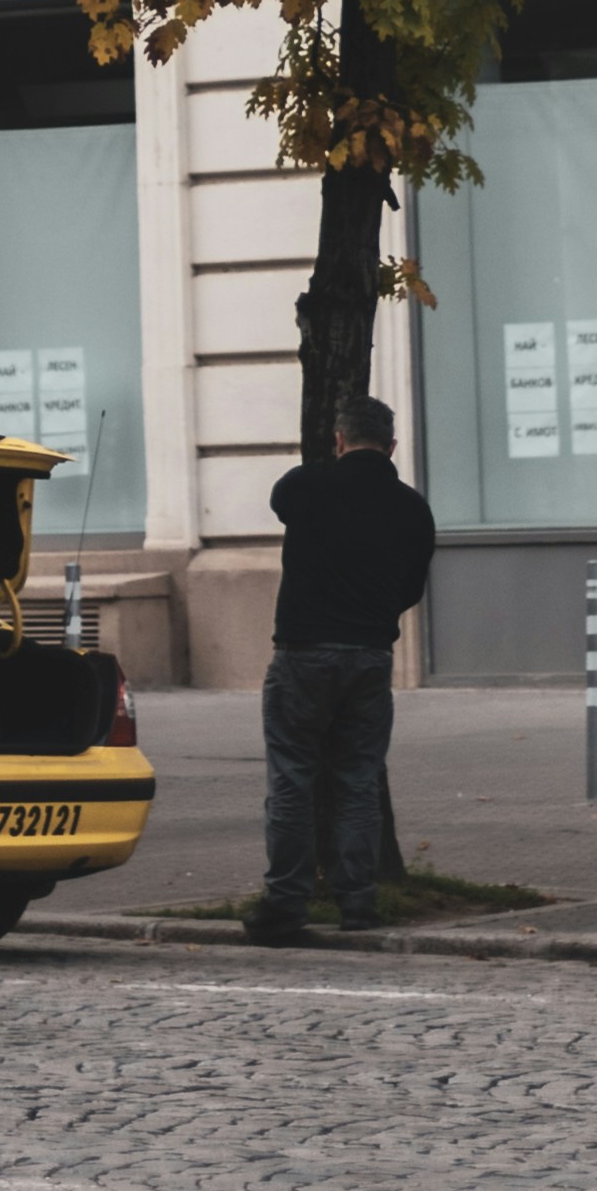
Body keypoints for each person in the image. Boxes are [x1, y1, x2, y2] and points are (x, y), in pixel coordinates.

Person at [243, 394, 436, 945]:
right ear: (392, 446)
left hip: (302, 654)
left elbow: (282, 501)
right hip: (370, 656)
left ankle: (286, 901)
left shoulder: (305, 487)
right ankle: (358, 901)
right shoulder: (411, 507)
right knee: (357, 780)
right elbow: (410, 589)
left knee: (291, 778)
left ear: (339, 439)